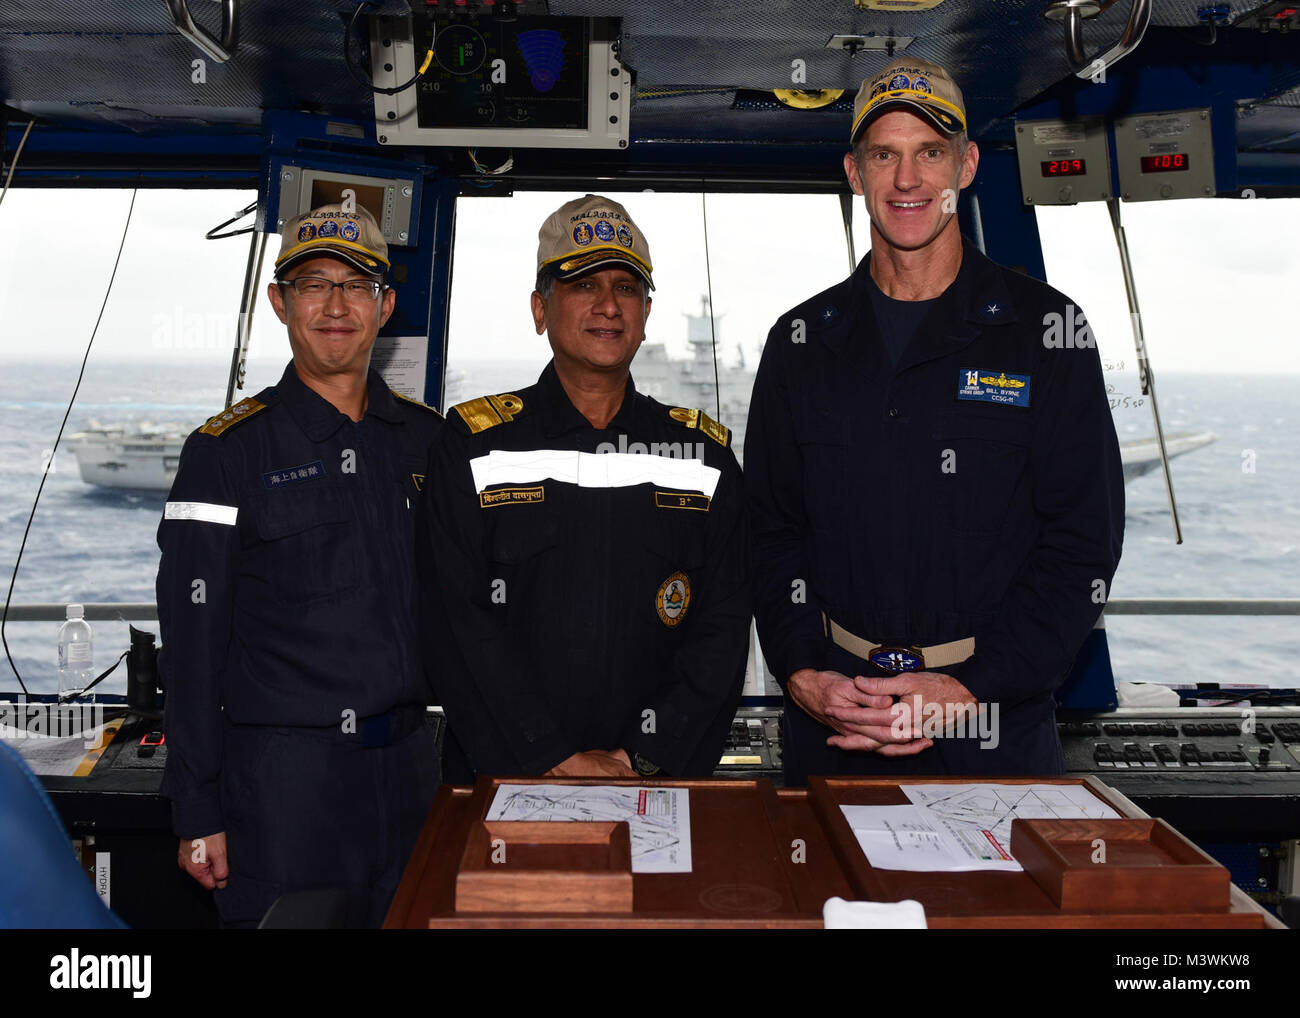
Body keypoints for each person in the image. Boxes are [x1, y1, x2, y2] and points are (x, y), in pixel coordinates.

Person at [745, 60, 1124, 785]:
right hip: (835, 722)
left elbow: (1082, 549)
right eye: (885, 154)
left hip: (993, 729)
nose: (908, 180)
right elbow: (769, 534)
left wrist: (967, 690)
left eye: (930, 152)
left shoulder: (1048, 332)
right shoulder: (799, 342)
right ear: (855, 172)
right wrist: (800, 672)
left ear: (967, 164)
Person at [156, 203, 442, 927]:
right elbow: (191, 650)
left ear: (387, 305)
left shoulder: (427, 443)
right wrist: (197, 807)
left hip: (412, 773)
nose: (337, 304)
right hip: (286, 788)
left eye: (359, 284)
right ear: (279, 301)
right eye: (314, 283)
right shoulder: (225, 454)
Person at [418, 195, 750, 782]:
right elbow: (454, 624)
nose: (607, 305)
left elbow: (720, 632)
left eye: (626, 288)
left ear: (646, 312)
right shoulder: (473, 448)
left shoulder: (705, 458)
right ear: (540, 308)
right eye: (583, 284)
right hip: (506, 776)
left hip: (656, 776)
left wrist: (639, 757)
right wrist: (549, 756)